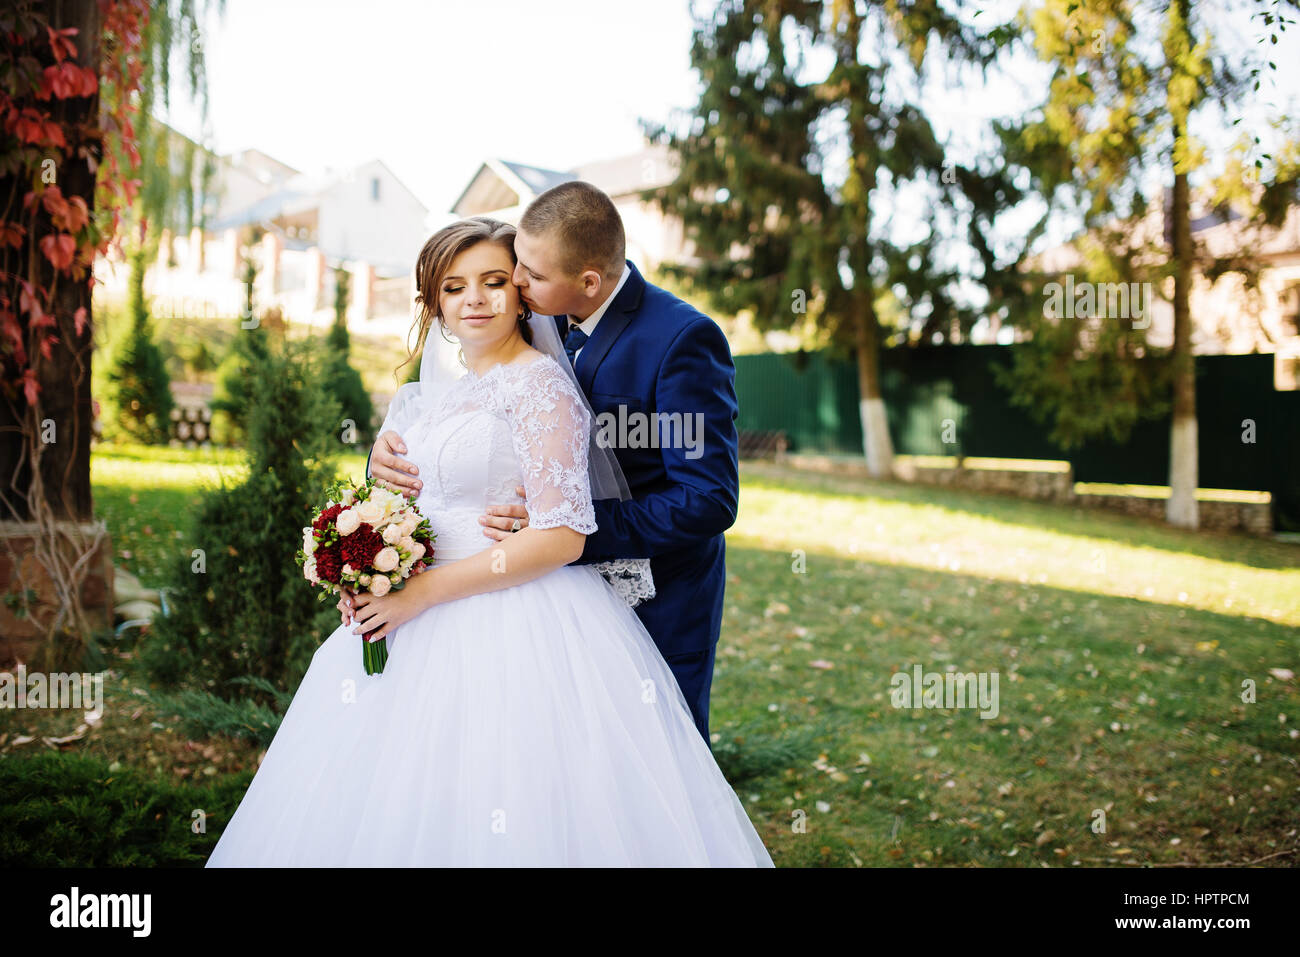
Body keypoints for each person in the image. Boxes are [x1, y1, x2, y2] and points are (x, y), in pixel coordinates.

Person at [206, 218, 772, 866]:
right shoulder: (428, 396)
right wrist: (369, 565)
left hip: (515, 616)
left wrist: (419, 593)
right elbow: (426, 493)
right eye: (454, 286)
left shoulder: (544, 386)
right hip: (411, 617)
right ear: (435, 302)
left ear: (523, 292)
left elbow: (562, 535)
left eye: (494, 281)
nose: (474, 297)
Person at [367, 181, 739, 745]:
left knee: (654, 760)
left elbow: (707, 498)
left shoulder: (681, 340)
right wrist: (393, 447)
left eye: (525, 277)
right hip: (522, 594)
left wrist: (560, 525)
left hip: (657, 595)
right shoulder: (543, 307)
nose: (512, 285)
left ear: (589, 281)